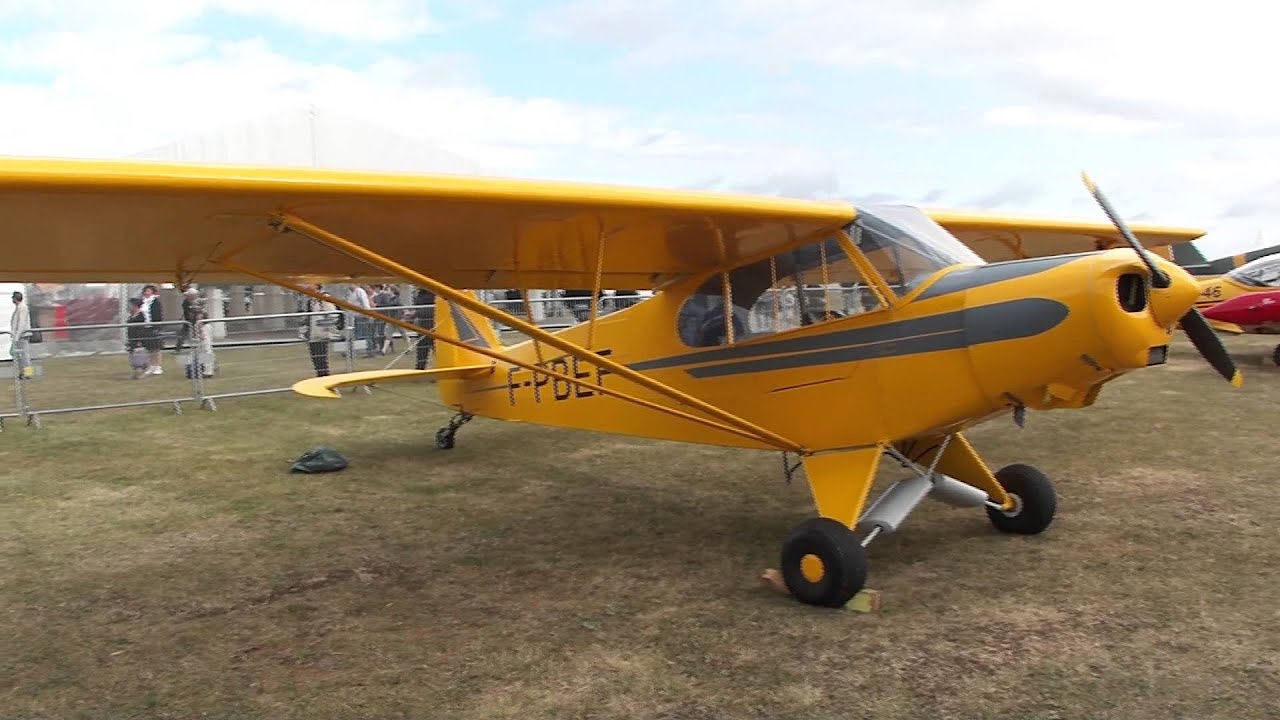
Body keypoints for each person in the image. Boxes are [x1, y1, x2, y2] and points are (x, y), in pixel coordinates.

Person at [303, 285, 341, 377]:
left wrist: (323, 328)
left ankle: (324, 378)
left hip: (322, 334)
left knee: (321, 358)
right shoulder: (312, 301)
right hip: (313, 334)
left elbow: (333, 315)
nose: (306, 286)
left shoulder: (324, 298)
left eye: (310, 284)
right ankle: (320, 376)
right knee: (315, 358)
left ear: (316, 286)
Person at [139, 284, 164, 375]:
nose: (146, 293)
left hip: (154, 327)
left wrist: (157, 327)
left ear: (152, 292)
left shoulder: (155, 301)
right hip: (145, 328)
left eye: (148, 291)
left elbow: (158, 315)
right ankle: (151, 365)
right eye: (145, 291)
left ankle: (158, 366)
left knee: (156, 348)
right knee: (149, 348)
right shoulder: (142, 302)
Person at [125, 297, 152, 379]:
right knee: (133, 357)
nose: (129, 307)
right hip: (131, 339)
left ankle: (142, 373)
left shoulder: (141, 316)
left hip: (139, 339)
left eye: (131, 305)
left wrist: (139, 341)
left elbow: (141, 329)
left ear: (136, 306)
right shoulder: (131, 315)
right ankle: (138, 372)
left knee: (138, 357)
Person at [9, 290, 32, 379]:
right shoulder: (19, 307)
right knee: (20, 355)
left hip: (22, 335)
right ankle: (22, 372)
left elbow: (21, 323)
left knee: (25, 355)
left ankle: (28, 373)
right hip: (19, 336)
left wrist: (17, 336)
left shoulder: (22, 307)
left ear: (15, 298)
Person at [411, 287, 435, 370]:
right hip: (423, 326)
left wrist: (414, 314)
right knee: (421, 349)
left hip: (434, 326)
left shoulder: (432, 295)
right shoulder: (420, 294)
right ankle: (420, 368)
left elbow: (429, 309)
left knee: (436, 349)